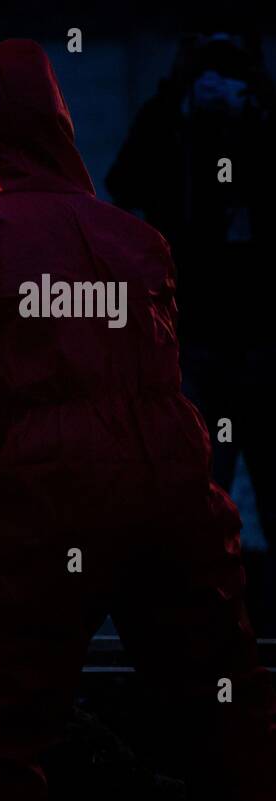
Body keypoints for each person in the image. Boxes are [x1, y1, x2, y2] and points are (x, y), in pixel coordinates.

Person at [0, 39, 276, 801]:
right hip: (173, 481)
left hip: (48, 494)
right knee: (226, 714)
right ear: (62, 136)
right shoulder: (136, 240)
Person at [107, 30, 276, 632]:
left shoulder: (257, 133)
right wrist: (176, 94)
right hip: (205, 341)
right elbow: (125, 180)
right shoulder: (180, 139)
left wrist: (258, 108)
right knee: (205, 489)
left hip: (255, 344)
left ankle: (236, 620)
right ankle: (214, 619)